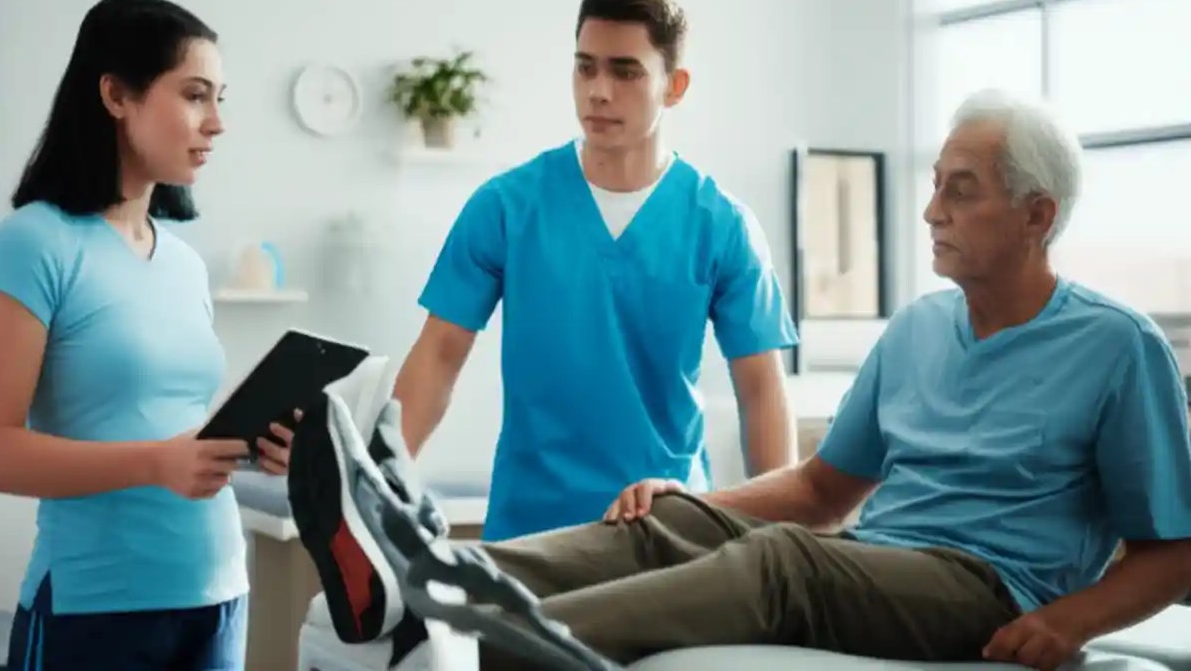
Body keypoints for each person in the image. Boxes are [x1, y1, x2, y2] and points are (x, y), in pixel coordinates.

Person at [298, 88, 1191, 671]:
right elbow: (819, 486)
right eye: (935, 184)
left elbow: (1173, 551)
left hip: (987, 584)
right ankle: (427, 574)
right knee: (672, 515)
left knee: (776, 563)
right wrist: (696, 506)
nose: (931, 210)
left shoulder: (1117, 349)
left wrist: (1069, 623)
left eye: (962, 191)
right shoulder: (918, 329)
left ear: (1037, 216)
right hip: (876, 558)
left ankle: (497, 646)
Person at [392, 0, 800, 542]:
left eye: (625, 71)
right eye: (585, 67)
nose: (598, 91)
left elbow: (761, 391)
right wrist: (378, 484)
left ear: (674, 85)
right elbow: (438, 355)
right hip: (529, 537)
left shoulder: (723, 225)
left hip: (668, 533)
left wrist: (777, 542)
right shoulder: (507, 207)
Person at [0, 0, 294, 671]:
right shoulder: (32, 243)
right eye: (196, 95)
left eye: (219, 98)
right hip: (95, 603)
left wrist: (258, 444)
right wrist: (155, 462)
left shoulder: (181, 261)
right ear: (116, 95)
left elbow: (177, 424)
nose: (218, 122)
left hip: (217, 589)